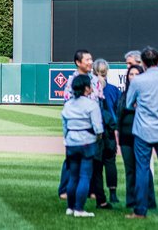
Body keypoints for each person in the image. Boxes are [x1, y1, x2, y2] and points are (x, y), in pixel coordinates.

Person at [125, 47, 158, 219]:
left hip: (143, 130)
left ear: (143, 63)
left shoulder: (138, 81)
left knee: (142, 170)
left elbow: (128, 104)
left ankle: (140, 210)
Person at [58, 49, 100, 200]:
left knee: (93, 160)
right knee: (71, 161)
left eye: (91, 59)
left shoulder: (94, 79)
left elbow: (99, 99)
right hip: (78, 125)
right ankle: (64, 190)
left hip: (91, 126)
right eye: (87, 60)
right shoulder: (72, 80)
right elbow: (68, 103)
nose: (90, 62)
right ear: (78, 62)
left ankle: (91, 190)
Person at [61, 73, 102, 218]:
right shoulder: (92, 105)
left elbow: (65, 127)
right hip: (87, 142)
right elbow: (98, 128)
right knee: (84, 176)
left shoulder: (68, 104)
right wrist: (97, 138)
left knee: (73, 177)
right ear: (86, 88)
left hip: (71, 142)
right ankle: (79, 209)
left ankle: (70, 208)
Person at [117, 65, 155, 212]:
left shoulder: (145, 94)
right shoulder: (124, 94)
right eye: (131, 74)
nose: (133, 76)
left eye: (136, 74)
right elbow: (119, 115)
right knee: (130, 170)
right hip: (126, 136)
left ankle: (149, 200)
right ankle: (131, 201)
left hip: (142, 135)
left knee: (144, 168)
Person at [91, 58, 119, 207]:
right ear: (106, 71)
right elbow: (118, 110)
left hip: (95, 130)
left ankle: (97, 194)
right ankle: (113, 194)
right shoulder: (114, 89)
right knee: (110, 161)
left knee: (96, 164)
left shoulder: (91, 88)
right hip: (110, 130)